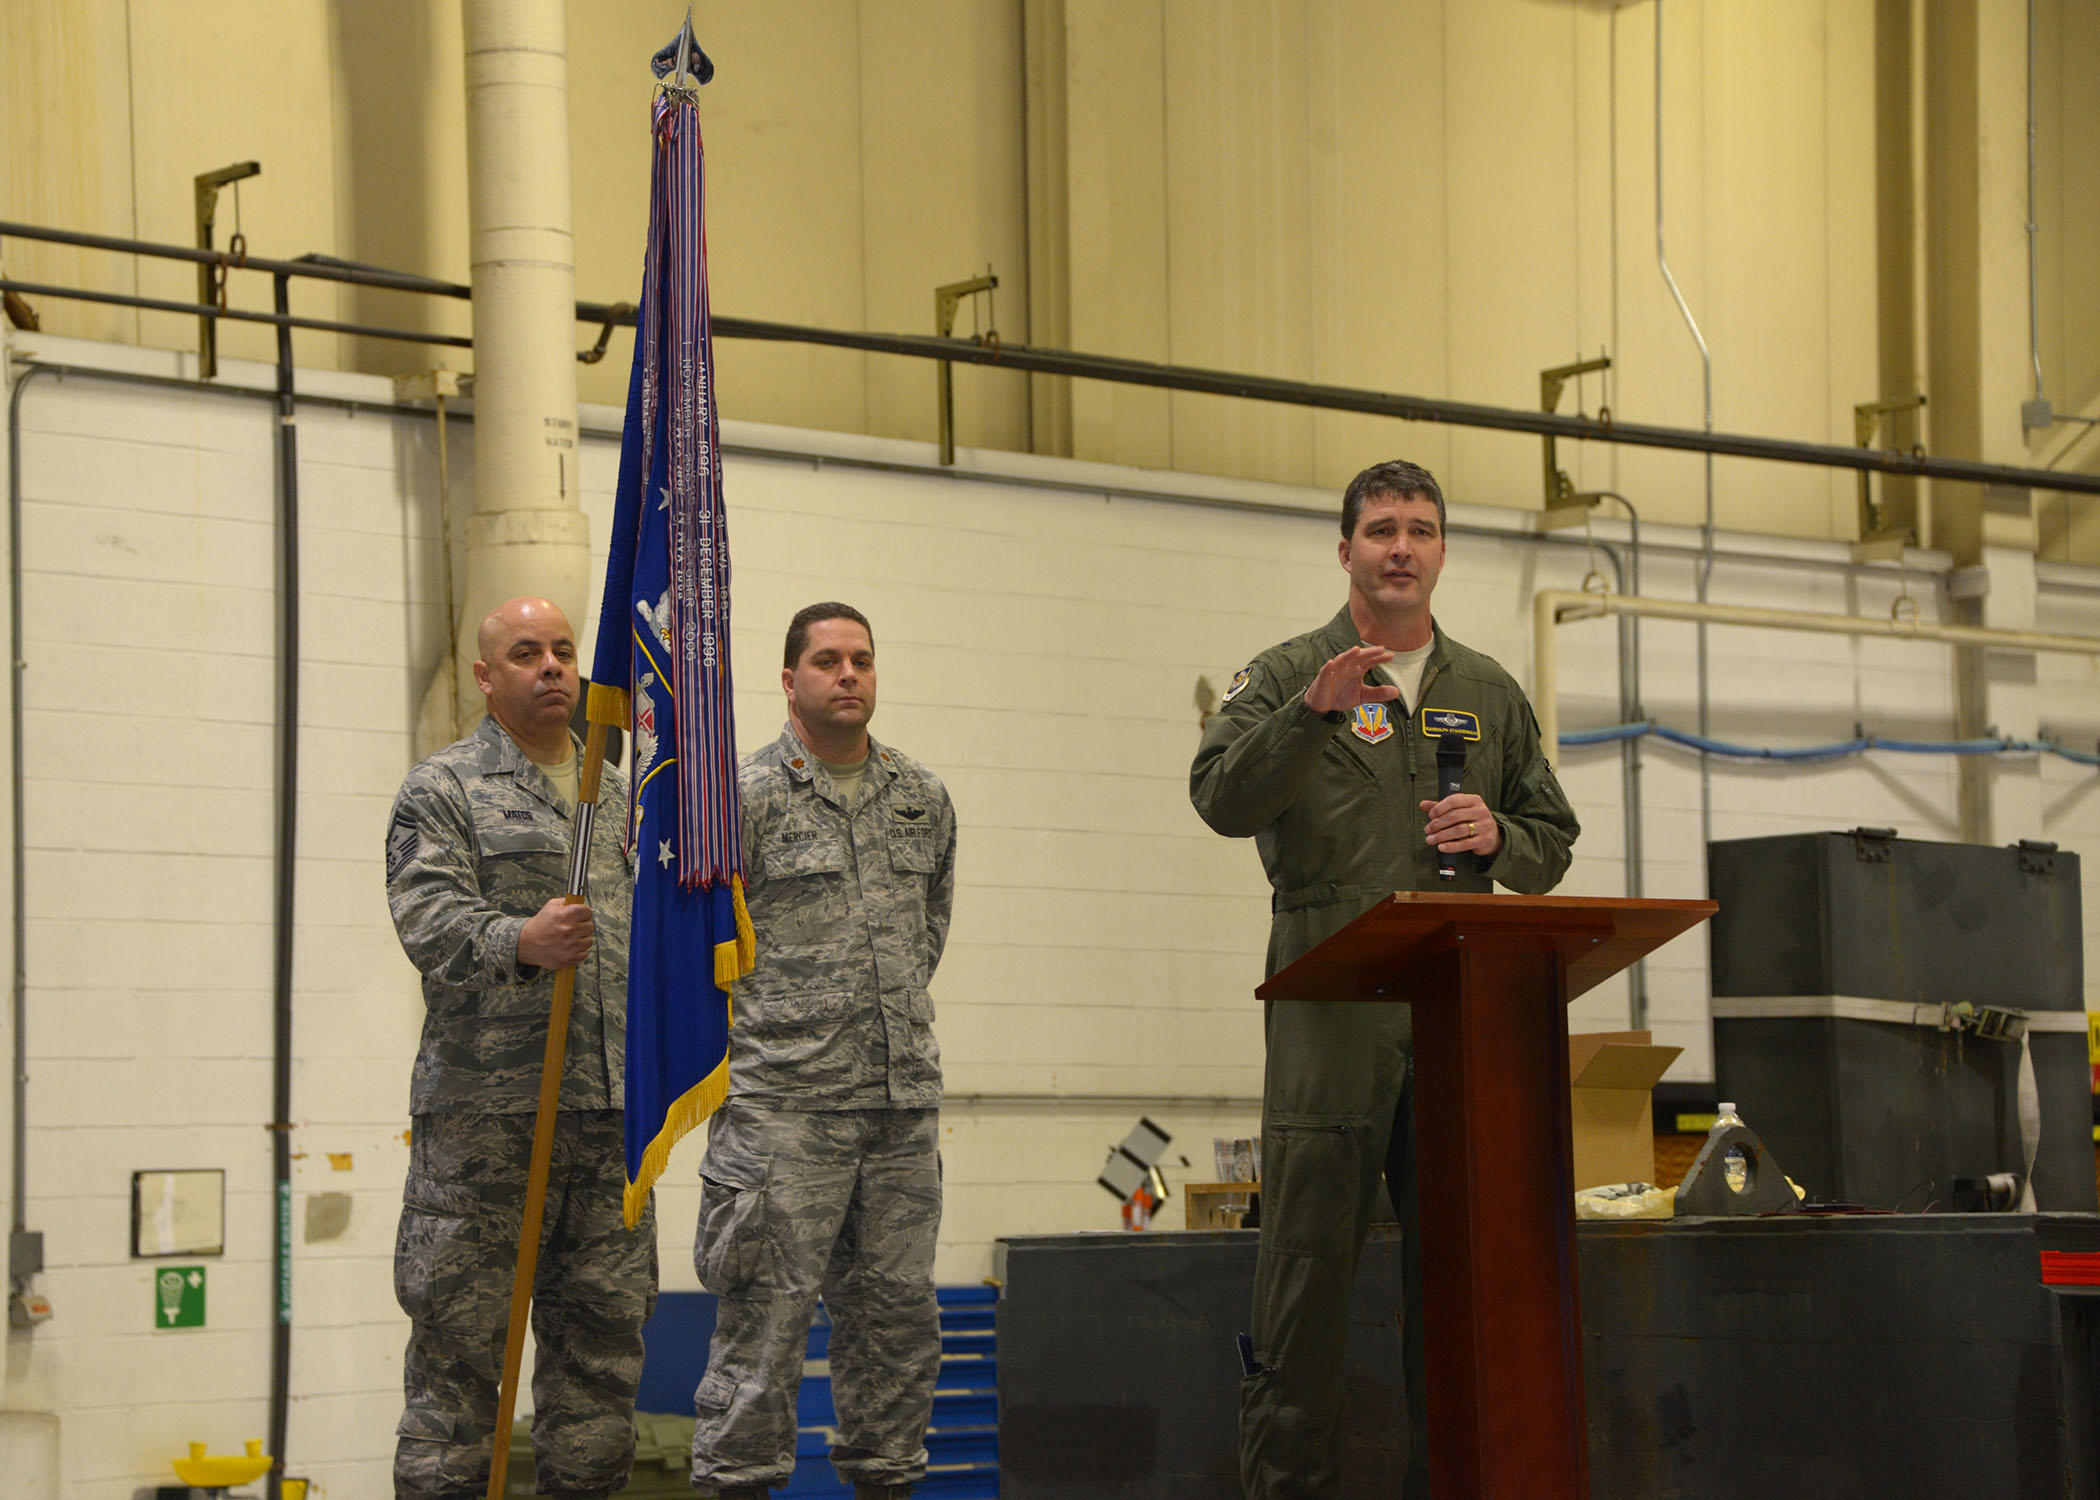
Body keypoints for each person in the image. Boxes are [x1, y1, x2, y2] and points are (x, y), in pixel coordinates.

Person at [1189, 460, 1580, 1499]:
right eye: (1379, 529)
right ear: (1346, 551)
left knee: (1460, 1278)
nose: (1400, 546)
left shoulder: (1489, 691)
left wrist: (1501, 836)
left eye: (1420, 528)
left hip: (1460, 1010)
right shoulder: (1285, 672)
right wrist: (1307, 716)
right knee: (1307, 1277)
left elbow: (1554, 840)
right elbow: (1220, 800)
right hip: (1332, 1005)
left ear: (1442, 550)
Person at [386, 596, 652, 1500]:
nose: (552, 668)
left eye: (565, 652)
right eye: (527, 653)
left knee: (601, 1374)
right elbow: (428, 923)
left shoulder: (618, 799)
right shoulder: (445, 788)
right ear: (485, 675)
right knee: (460, 1371)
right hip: (486, 1127)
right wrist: (518, 943)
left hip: (607, 1120)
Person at [689, 602, 957, 1500]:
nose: (849, 675)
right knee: (764, 1332)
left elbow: (928, 934)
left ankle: (887, 1483)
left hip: (898, 1109)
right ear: (790, 679)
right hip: (783, 1115)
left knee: (899, 1330)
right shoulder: (740, 795)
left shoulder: (923, 797)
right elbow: (700, 952)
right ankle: (737, 1484)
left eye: (863, 661)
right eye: (829, 661)